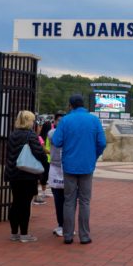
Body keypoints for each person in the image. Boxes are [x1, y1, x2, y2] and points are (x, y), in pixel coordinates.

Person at [50, 94, 106, 245]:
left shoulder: (66, 120)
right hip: (87, 166)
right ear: (83, 105)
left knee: (69, 201)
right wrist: (93, 155)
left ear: (71, 105)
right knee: (85, 201)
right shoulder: (94, 120)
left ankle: (68, 235)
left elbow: (56, 141)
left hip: (69, 165)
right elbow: (102, 142)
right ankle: (84, 236)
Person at [5, 110, 49, 242]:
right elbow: (38, 152)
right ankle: (24, 234)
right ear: (28, 121)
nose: (33, 123)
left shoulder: (13, 134)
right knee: (25, 204)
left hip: (14, 173)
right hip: (27, 174)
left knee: (16, 202)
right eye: (32, 120)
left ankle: (14, 233)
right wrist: (44, 160)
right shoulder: (30, 135)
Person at [47, 112, 66, 236]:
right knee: (58, 199)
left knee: (68, 200)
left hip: (68, 169)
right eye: (59, 120)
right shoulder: (51, 133)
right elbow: (56, 139)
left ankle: (67, 225)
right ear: (54, 121)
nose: (61, 123)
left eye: (63, 120)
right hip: (55, 168)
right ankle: (61, 224)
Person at [32, 121, 48, 206]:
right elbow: (42, 150)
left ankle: (35, 195)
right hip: (37, 162)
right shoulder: (38, 138)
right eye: (38, 127)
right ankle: (35, 196)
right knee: (37, 179)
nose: (39, 128)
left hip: (31, 162)